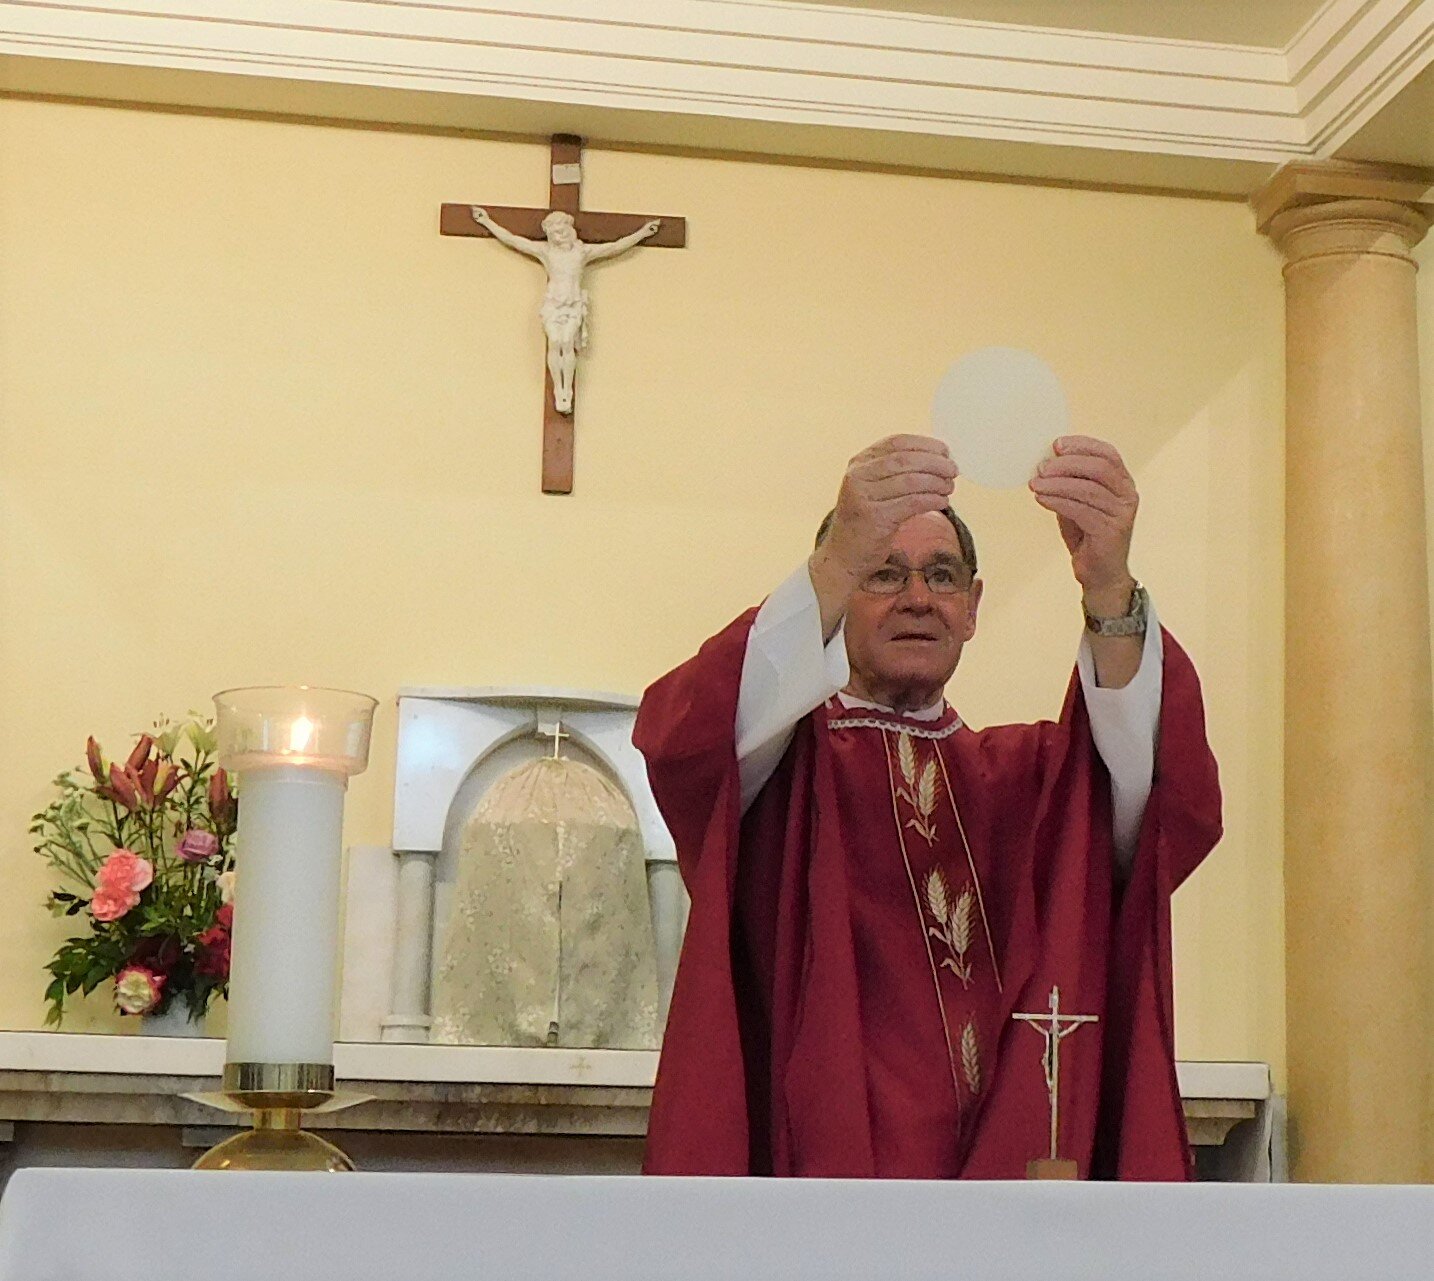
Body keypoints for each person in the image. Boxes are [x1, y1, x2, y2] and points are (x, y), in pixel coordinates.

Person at [633, 434, 1222, 1179]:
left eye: (941, 576)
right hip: (824, 1189)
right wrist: (837, 558)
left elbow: (1163, 793)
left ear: (972, 608)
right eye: (883, 573)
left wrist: (1110, 590)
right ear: (839, 595)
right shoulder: (783, 765)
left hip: (1012, 1186)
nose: (917, 598)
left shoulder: (1027, 783)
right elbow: (686, 742)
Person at [469, 207, 661, 413]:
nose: (559, 236)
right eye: (554, 233)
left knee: (567, 341)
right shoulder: (546, 252)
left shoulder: (582, 252)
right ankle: (557, 390)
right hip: (553, 303)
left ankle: (566, 390)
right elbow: (513, 240)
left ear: (570, 229)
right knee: (555, 341)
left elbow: (614, 247)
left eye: (562, 231)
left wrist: (642, 233)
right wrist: (486, 222)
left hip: (573, 303)